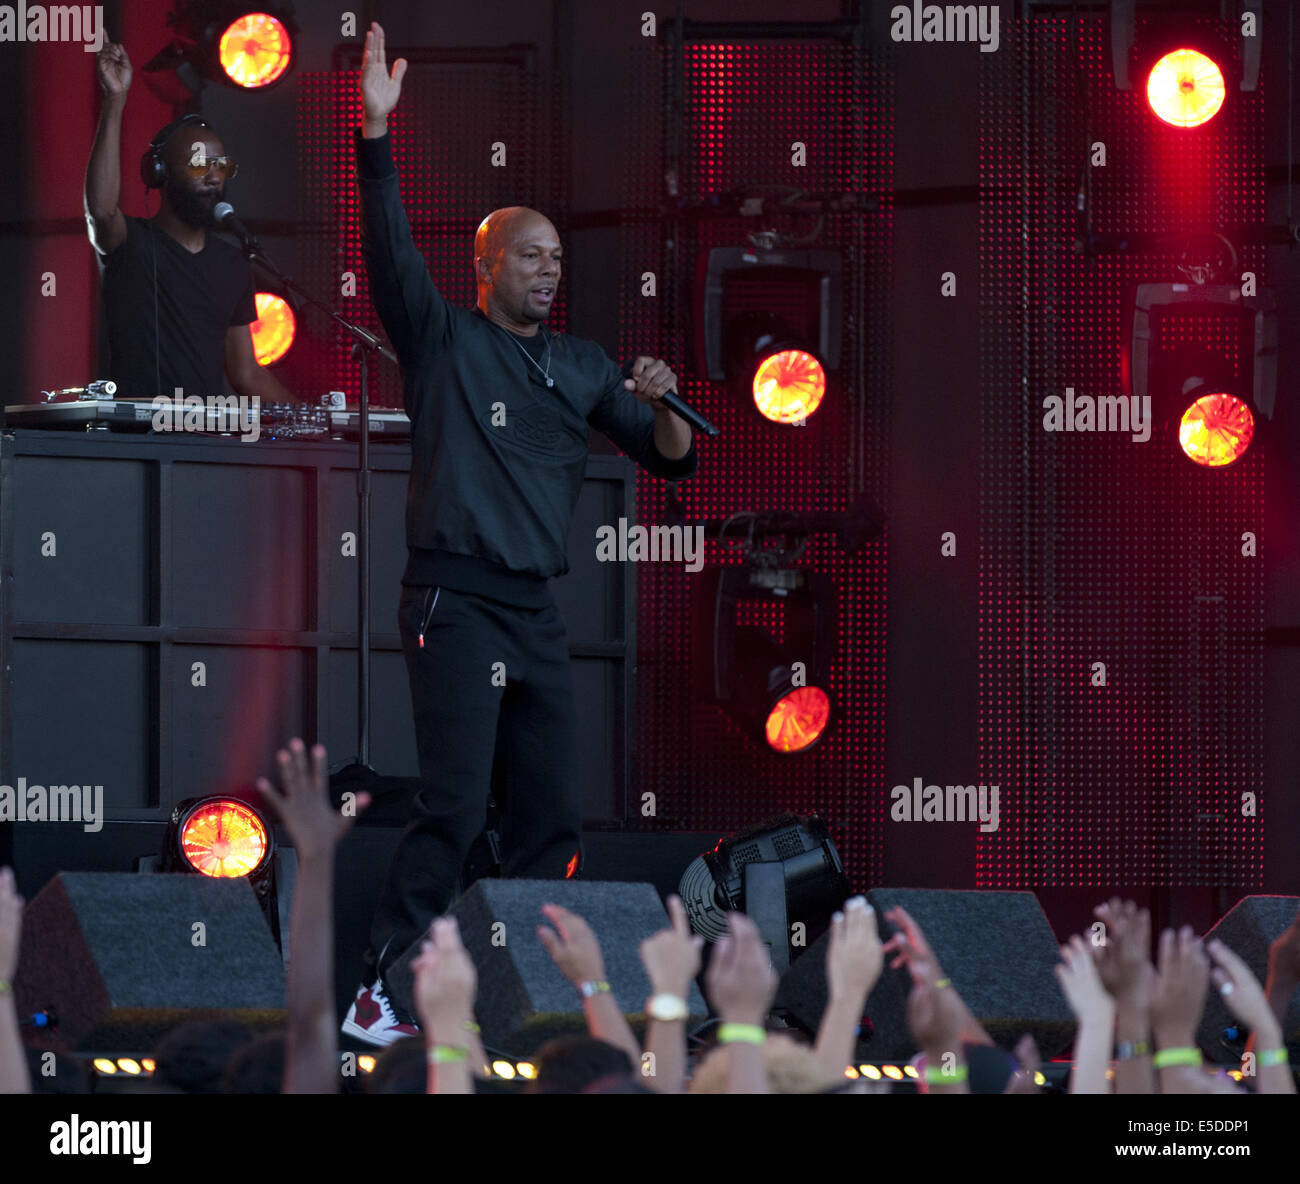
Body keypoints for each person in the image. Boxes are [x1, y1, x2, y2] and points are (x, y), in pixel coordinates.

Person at [343, 22, 699, 1046]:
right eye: (528, 258)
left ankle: (507, 991)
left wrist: (665, 399)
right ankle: (378, 988)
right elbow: (387, 247)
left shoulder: (582, 363)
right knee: (453, 809)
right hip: (456, 600)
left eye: (554, 259)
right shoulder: (444, 337)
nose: (547, 273)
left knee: (551, 820)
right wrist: (374, 132)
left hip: (534, 611)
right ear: (487, 264)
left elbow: (669, 456)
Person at [84, 41, 294, 405]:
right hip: (133, 445)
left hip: (204, 447)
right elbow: (101, 211)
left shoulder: (232, 265)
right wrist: (114, 99)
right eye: (199, 165)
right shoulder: (130, 243)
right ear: (159, 173)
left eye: (220, 166)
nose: (214, 177)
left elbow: (246, 373)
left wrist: (319, 424)